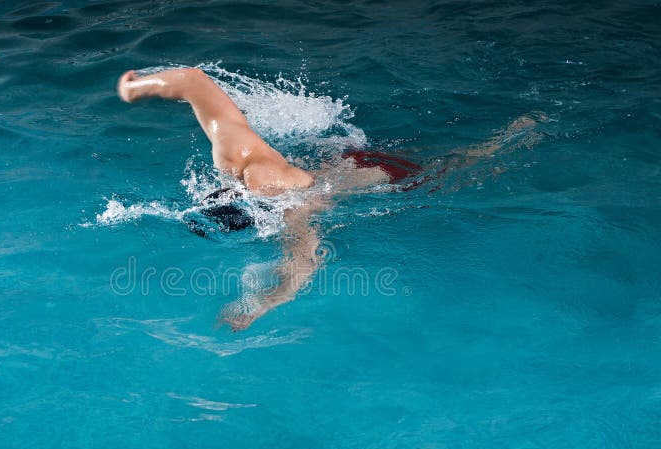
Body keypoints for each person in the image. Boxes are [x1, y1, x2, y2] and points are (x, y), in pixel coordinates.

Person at [117, 67, 542, 331]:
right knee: (430, 157)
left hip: (390, 179)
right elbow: (193, 80)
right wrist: (134, 90)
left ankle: (515, 137)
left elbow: (304, 264)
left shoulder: (290, 209)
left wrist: (259, 306)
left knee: (462, 167)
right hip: (348, 159)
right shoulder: (236, 156)